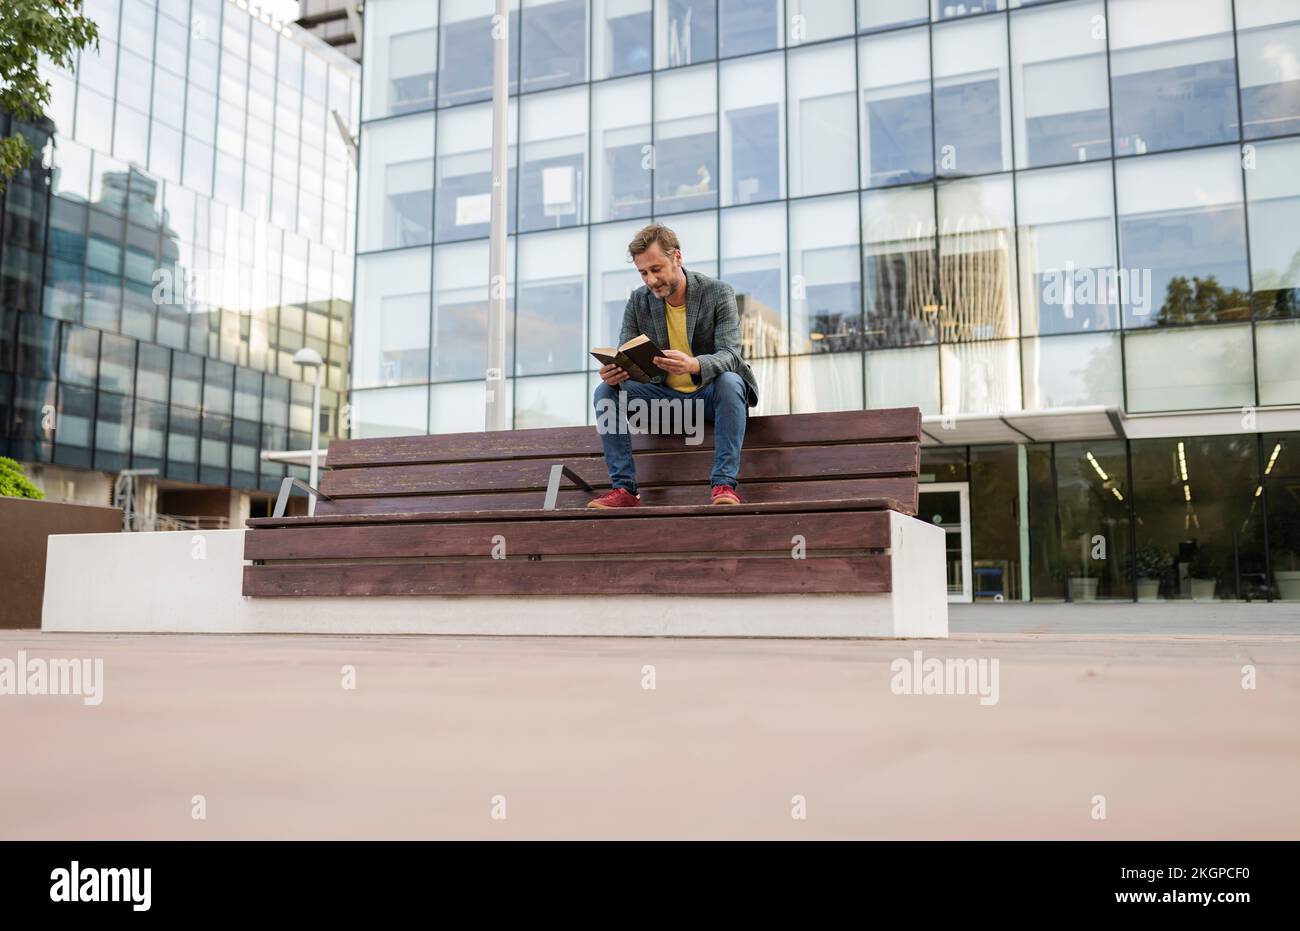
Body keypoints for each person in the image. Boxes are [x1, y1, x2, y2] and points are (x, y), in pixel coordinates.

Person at [589, 223, 759, 508]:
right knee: (605, 392)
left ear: (677, 257)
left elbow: (731, 354)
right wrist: (615, 372)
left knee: (731, 380)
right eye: (643, 273)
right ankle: (625, 490)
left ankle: (724, 485)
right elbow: (626, 352)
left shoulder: (718, 293)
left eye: (656, 269)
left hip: (708, 397)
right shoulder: (638, 301)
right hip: (662, 400)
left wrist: (693, 364)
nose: (651, 280)